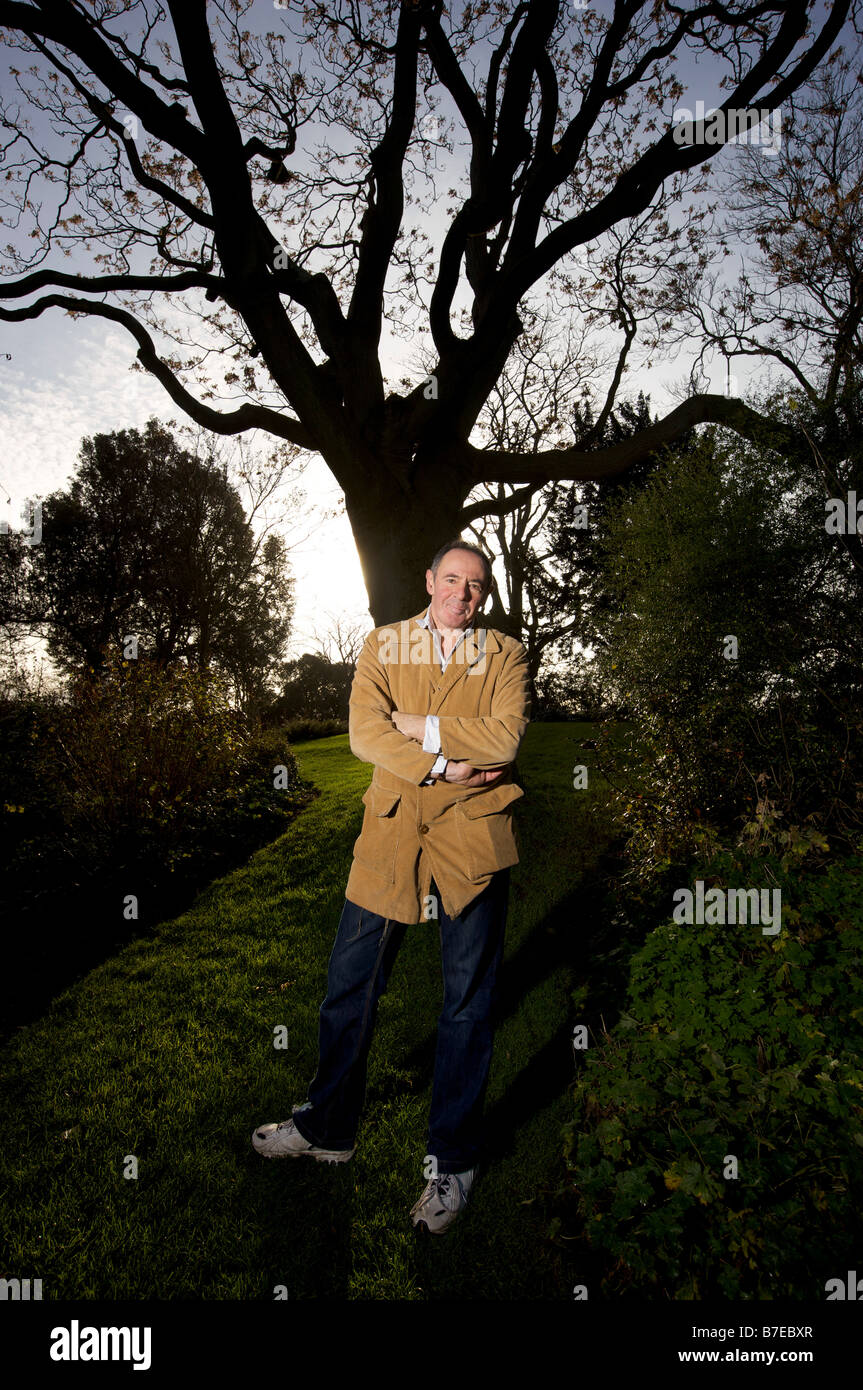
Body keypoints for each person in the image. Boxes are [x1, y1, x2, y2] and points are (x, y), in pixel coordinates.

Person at [252, 540, 530, 1234]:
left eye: (475, 585)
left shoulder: (506, 656)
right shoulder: (383, 644)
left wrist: (419, 727)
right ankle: (326, 1128)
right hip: (391, 835)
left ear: (482, 596)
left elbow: (503, 740)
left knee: (465, 1005)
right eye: (452, 578)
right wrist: (444, 762)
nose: (461, 593)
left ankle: (452, 1163)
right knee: (349, 990)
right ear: (429, 579)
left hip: (472, 839)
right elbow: (363, 734)